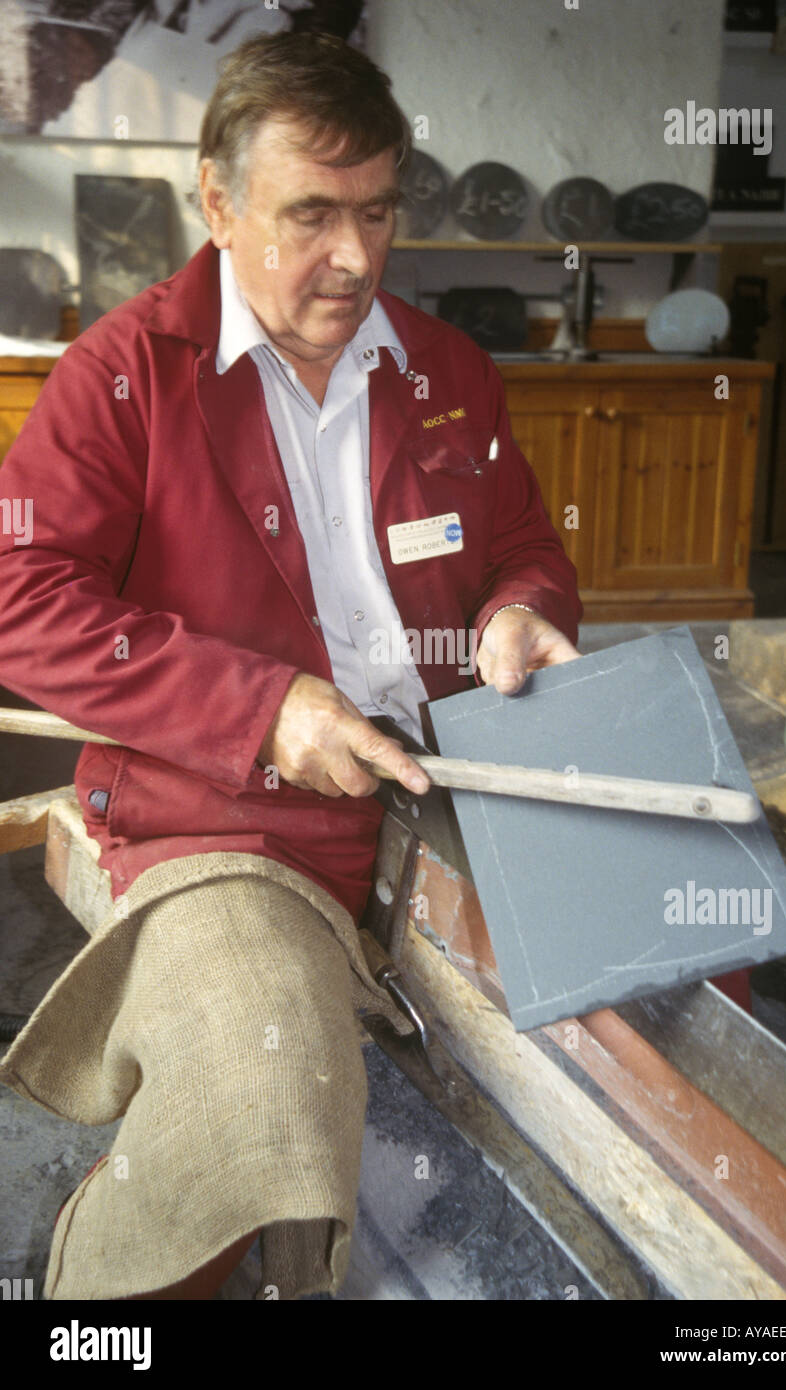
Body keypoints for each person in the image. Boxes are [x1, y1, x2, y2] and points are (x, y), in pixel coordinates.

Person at [0, 32, 581, 1300]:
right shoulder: (124, 378)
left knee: (664, 979)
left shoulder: (444, 373)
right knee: (263, 1094)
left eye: (376, 212)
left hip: (439, 785)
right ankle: (104, 1300)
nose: (356, 257)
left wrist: (523, 605)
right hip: (222, 818)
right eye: (310, 214)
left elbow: (525, 547)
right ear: (217, 203)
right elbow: (20, 600)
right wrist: (262, 711)